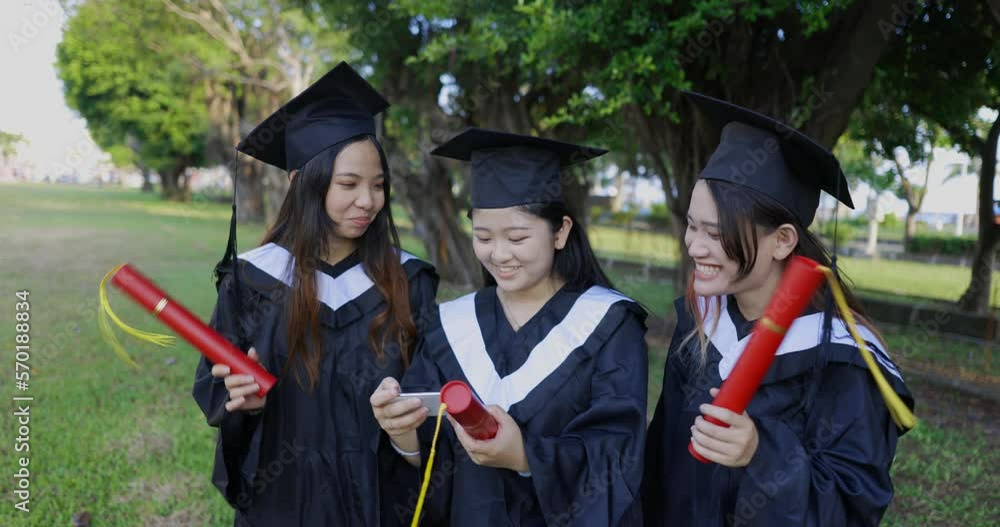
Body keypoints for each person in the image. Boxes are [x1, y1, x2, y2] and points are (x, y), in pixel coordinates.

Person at [642, 92, 915, 526]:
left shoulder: (842, 360)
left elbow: (852, 507)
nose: (694, 246)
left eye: (715, 233)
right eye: (692, 226)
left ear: (783, 240)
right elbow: (663, 463)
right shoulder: (701, 324)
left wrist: (760, 454)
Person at [192, 62, 439, 527]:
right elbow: (213, 382)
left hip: (381, 500)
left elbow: (429, 397)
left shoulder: (410, 281)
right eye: (348, 184)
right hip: (282, 500)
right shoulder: (253, 280)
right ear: (300, 181)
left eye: (378, 185)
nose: (368, 201)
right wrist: (239, 399)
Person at [370, 128, 649, 526]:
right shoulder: (451, 326)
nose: (499, 254)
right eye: (483, 237)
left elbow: (616, 458)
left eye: (517, 237)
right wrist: (401, 432)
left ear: (560, 231)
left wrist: (525, 456)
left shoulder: (610, 326)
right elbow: (429, 460)